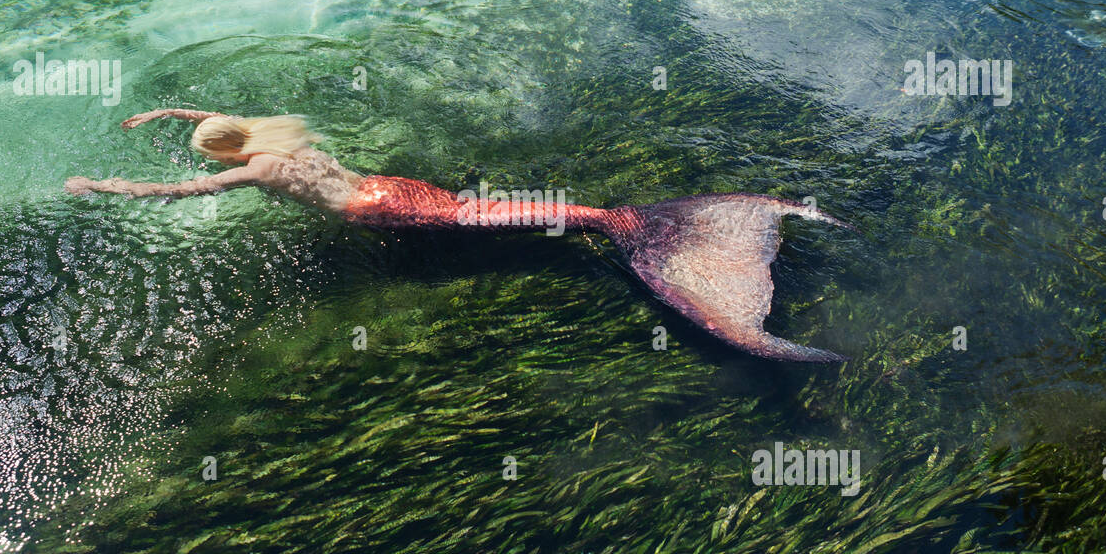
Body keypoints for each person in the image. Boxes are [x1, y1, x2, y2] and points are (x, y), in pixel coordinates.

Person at [66, 109, 851, 361]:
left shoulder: (254, 171)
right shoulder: (278, 141)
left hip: (379, 213)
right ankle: (638, 224)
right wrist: (168, 111)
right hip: (386, 187)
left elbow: (174, 190)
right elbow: (220, 118)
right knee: (478, 211)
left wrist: (100, 185)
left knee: (492, 219)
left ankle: (632, 228)